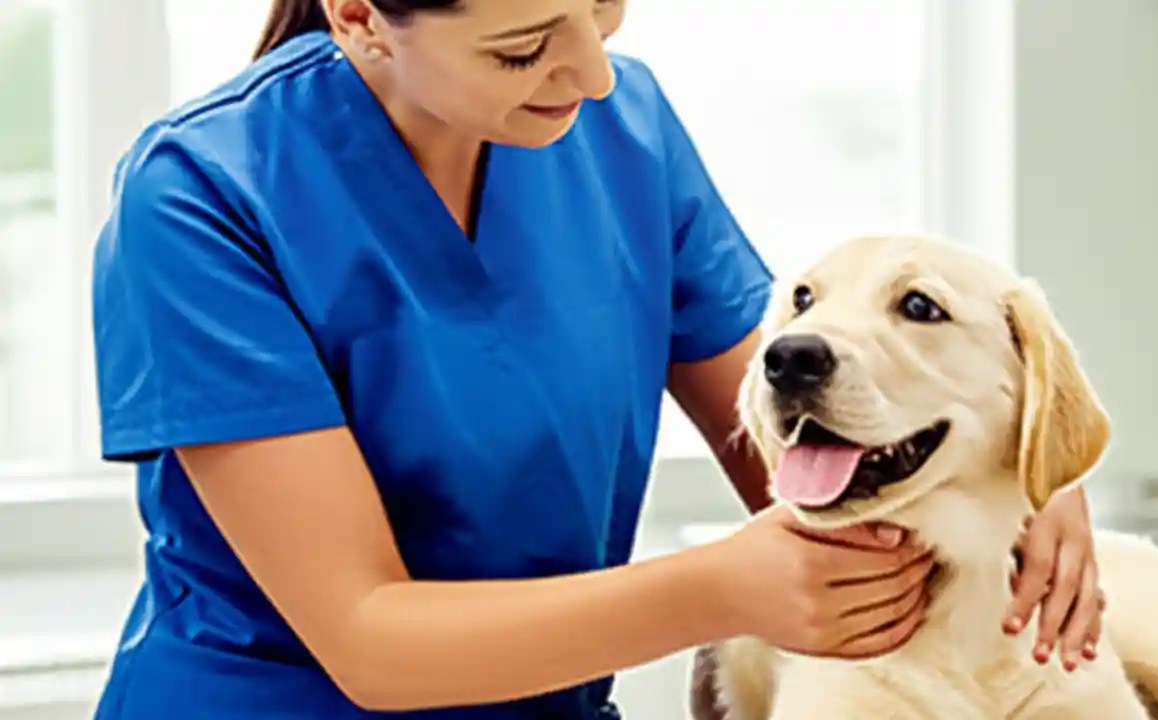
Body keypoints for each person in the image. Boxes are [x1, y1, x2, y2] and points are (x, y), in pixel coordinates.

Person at [89, 1, 1106, 718]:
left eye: (603, 7)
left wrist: (1007, 458)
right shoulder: (200, 195)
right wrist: (719, 591)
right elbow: (366, 638)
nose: (592, 73)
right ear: (357, 16)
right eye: (524, 45)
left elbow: (790, 434)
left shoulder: (620, 127)